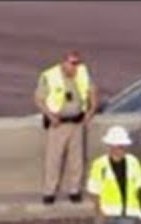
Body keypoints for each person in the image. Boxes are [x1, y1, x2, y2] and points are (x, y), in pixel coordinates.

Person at [34, 50, 98, 205]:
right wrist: (50, 116)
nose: (75, 66)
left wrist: (91, 111)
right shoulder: (50, 76)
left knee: (76, 159)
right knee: (53, 159)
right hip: (58, 124)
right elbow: (38, 99)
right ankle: (49, 191)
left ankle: (74, 190)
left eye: (77, 62)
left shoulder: (82, 73)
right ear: (64, 62)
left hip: (77, 122)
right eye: (72, 63)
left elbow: (92, 92)